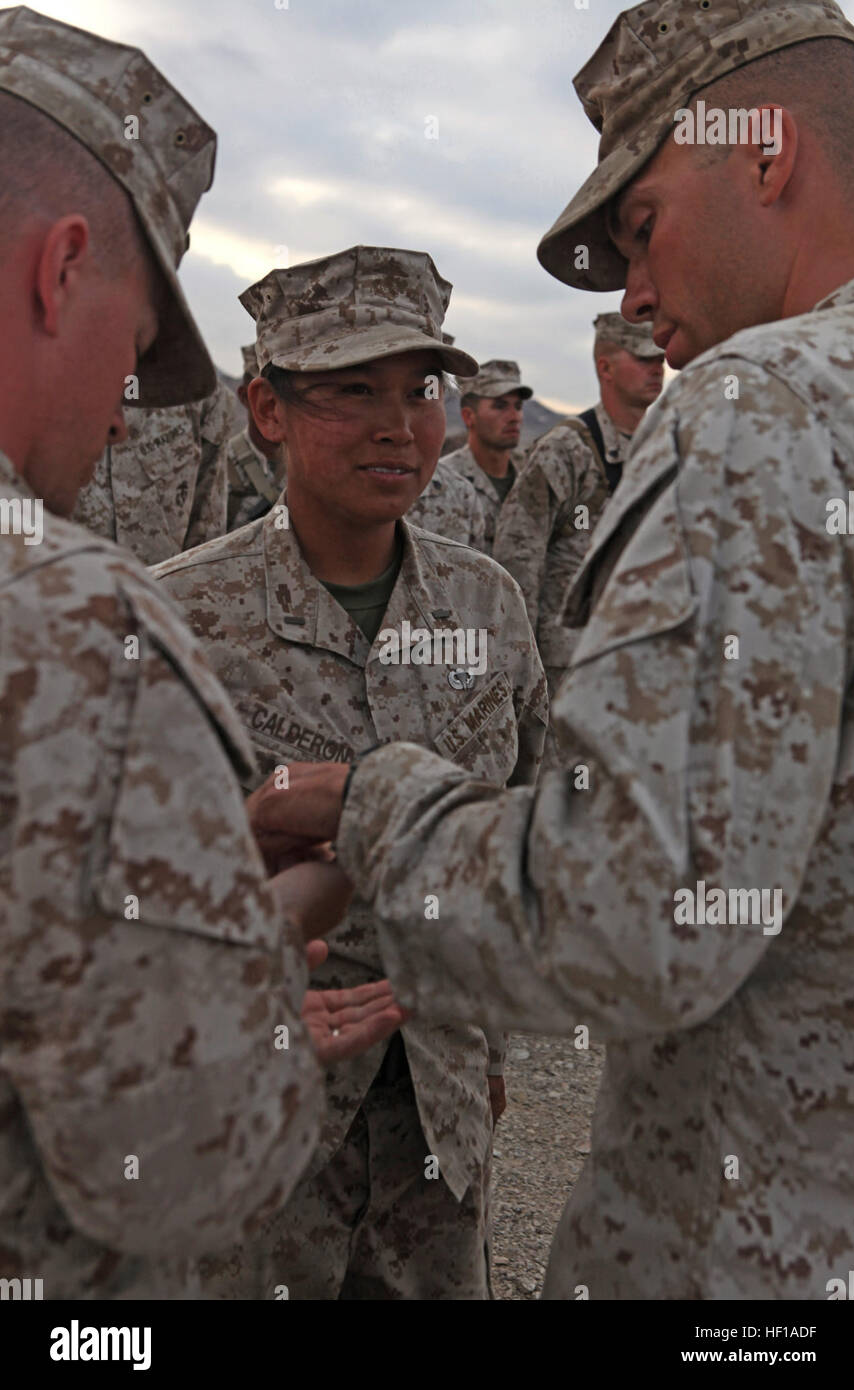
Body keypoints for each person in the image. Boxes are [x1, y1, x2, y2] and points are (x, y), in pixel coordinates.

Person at [251, 0, 854, 1300]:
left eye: (641, 226)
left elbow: (634, 911)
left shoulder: (761, 411)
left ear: (766, 156)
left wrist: (375, 806)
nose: (638, 295)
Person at [0, 6, 400, 1300]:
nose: (123, 422)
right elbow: (186, 1159)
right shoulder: (72, 624)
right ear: (62, 269)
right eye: (129, 353)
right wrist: (252, 963)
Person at [153, 244, 549, 1299]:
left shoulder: (485, 607)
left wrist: (492, 1051)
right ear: (267, 411)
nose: (399, 424)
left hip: (438, 1107)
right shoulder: (174, 619)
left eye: (421, 389)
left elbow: (521, 832)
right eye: (351, 391)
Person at [493, 314, 663, 765]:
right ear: (605, 368)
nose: (657, 367)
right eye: (644, 358)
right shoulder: (566, 449)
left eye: (660, 358)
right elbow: (518, 558)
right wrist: (517, 670)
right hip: (566, 669)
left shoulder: (664, 447)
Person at [73, 382, 235, 563]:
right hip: (58, 583)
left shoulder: (202, 395)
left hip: (160, 586)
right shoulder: (45, 381)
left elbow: (207, 527)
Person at [440, 360, 533, 551]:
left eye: (518, 406)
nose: (514, 417)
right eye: (500, 406)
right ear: (468, 416)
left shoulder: (533, 476)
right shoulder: (442, 482)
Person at [226, 343, 286, 531]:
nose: (272, 406)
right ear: (246, 397)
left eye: (282, 392)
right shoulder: (220, 467)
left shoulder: (311, 464)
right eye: (266, 397)